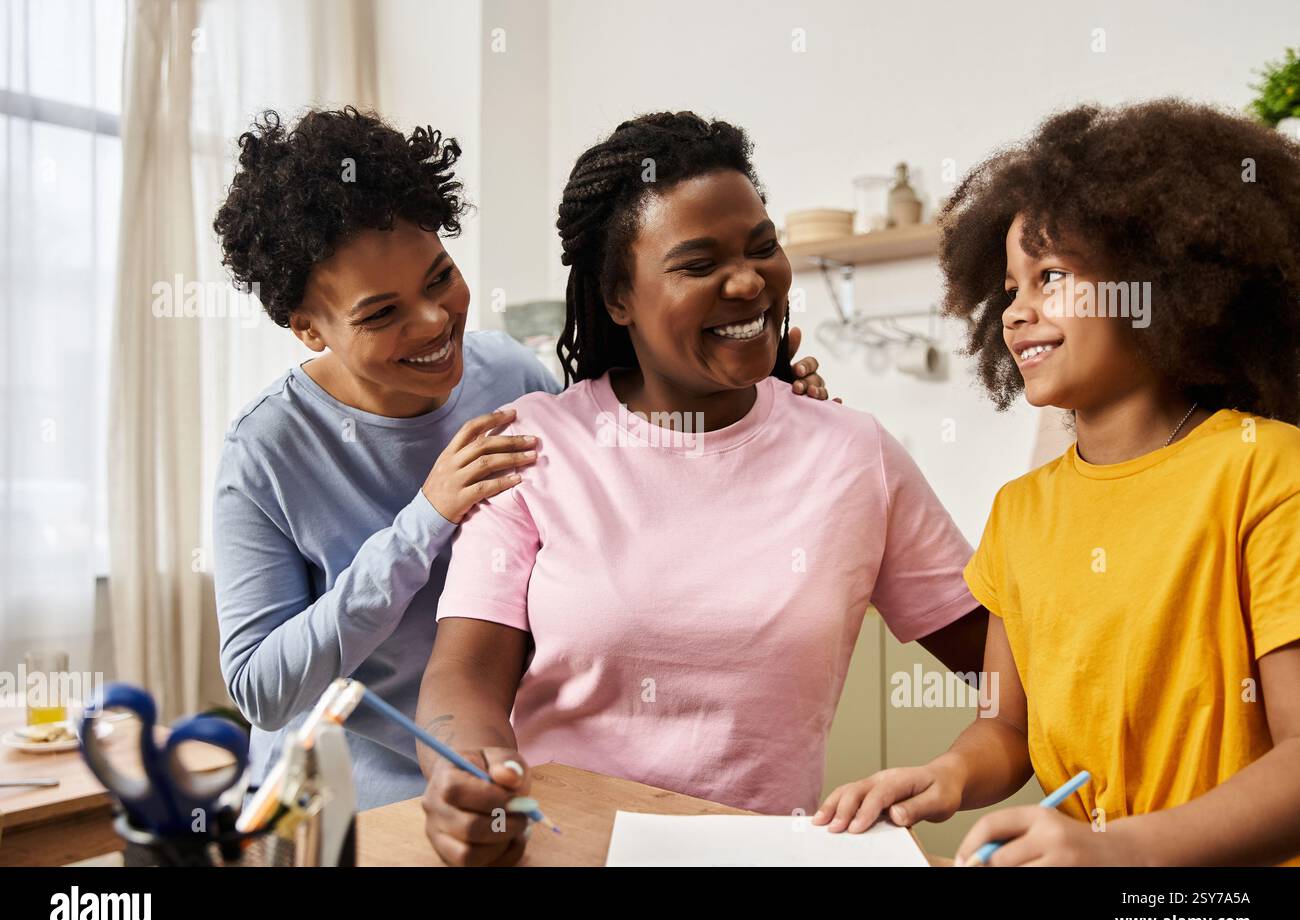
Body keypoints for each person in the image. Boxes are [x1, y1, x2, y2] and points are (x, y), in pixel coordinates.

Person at [210, 107, 831, 810]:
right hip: (350, 810)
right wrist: (422, 523)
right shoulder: (266, 451)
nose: (434, 323)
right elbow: (261, 688)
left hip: (504, 785)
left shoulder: (509, 377)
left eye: (440, 278)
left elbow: (625, 490)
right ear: (308, 329)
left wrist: (757, 403)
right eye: (381, 315)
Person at [416, 112, 987, 866]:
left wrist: (956, 769)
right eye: (697, 264)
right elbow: (465, 677)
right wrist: (470, 771)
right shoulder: (534, 444)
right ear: (618, 297)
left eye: (763, 247)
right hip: (566, 850)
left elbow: (1008, 672)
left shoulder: (854, 455)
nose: (750, 281)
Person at [815, 100, 1300, 866]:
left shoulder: (1266, 471)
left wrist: (1121, 852)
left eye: (1050, 277)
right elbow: (1006, 730)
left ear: (1162, 285)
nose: (1018, 312)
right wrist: (943, 775)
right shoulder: (1021, 512)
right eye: (1010, 287)